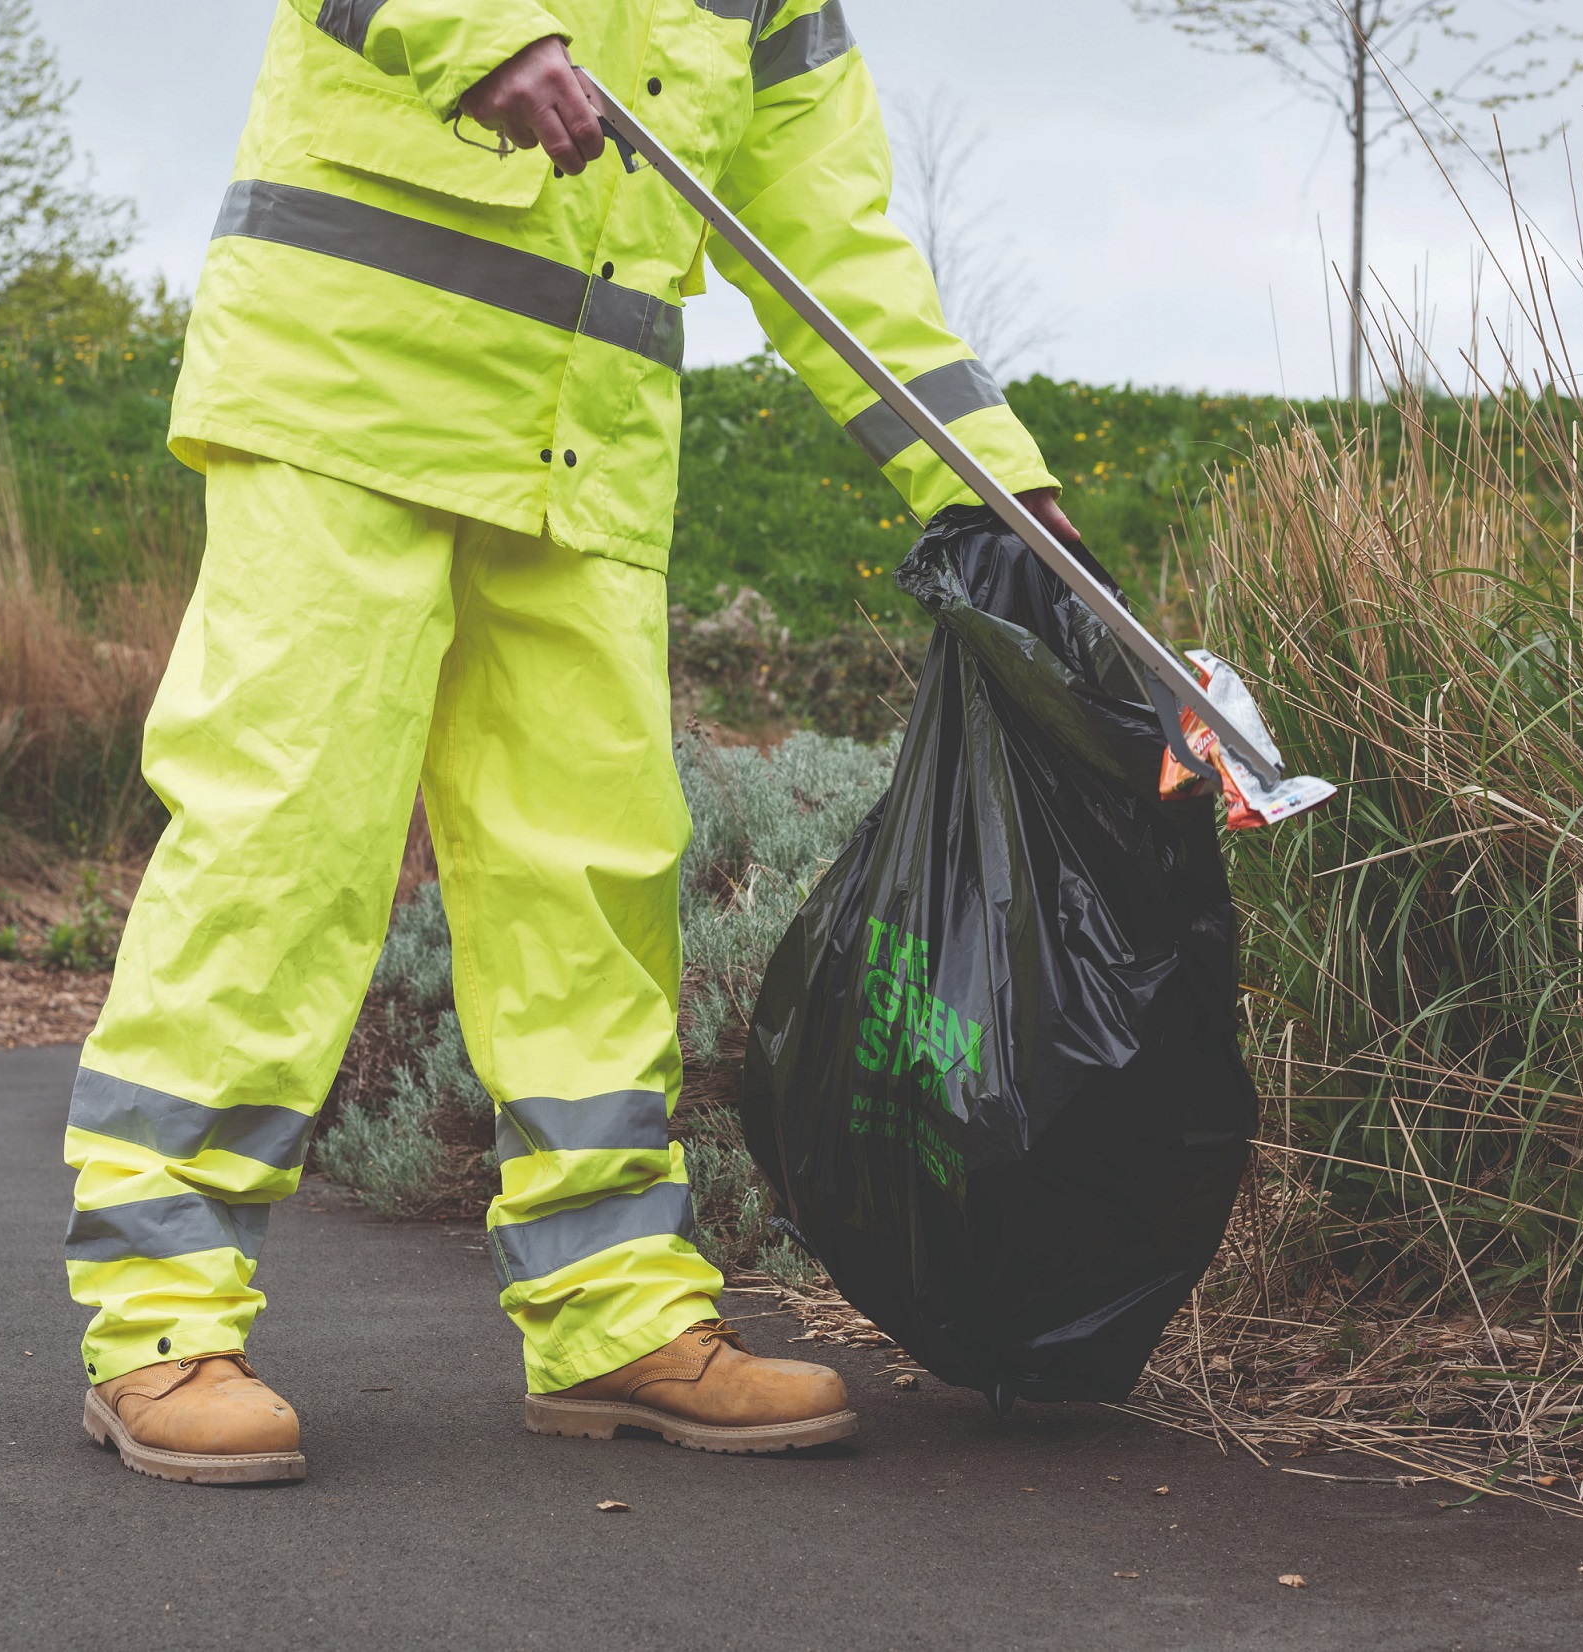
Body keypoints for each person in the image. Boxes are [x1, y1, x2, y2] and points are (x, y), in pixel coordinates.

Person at [62, 0, 1075, 1484]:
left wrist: (983, 475)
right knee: (286, 842)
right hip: (344, 394)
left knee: (596, 883)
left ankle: (612, 1317)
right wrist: (472, 28)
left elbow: (825, 233)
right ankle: (159, 1322)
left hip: (580, 455)